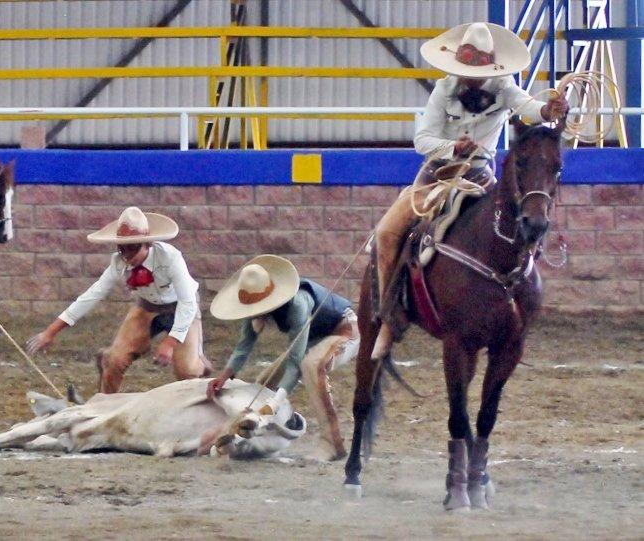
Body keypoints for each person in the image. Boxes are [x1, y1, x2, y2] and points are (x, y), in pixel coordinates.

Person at [373, 22, 569, 347]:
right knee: (386, 233)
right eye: (465, 72)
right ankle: (387, 312)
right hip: (437, 175)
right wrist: (453, 147)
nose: (470, 79)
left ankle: (515, 292)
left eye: (475, 73)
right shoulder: (444, 90)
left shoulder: (503, 87)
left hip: (479, 176)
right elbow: (423, 139)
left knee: (516, 226)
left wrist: (548, 110)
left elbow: (528, 106)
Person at [27, 207, 212, 393]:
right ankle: (104, 403)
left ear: (147, 244)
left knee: (187, 371)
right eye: (121, 248)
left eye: (133, 248)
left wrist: (170, 342)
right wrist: (51, 331)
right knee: (115, 360)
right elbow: (93, 294)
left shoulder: (170, 257)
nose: (127, 255)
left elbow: (188, 302)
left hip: (181, 308)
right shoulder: (119, 262)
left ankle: (200, 367)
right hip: (146, 309)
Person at [206, 256, 358, 461]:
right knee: (263, 383)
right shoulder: (253, 307)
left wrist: (274, 403)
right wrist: (225, 376)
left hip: (345, 330)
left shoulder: (298, 304)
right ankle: (257, 433)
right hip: (313, 339)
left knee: (310, 365)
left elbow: (295, 362)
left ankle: (332, 442)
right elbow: (244, 345)